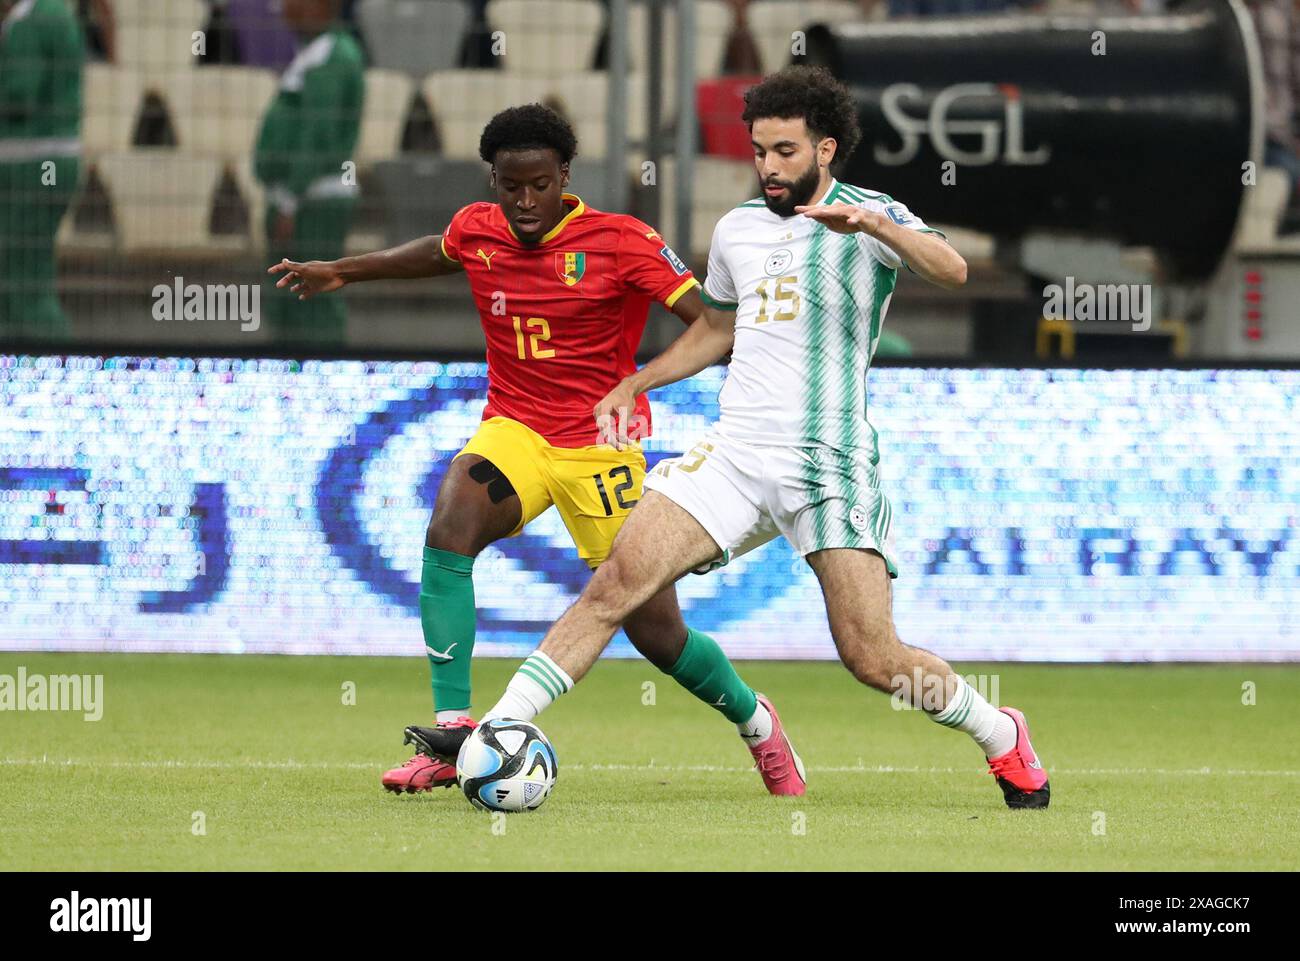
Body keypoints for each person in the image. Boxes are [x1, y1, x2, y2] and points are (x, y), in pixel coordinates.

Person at [413, 67, 1051, 810]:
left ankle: (1001, 734)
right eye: (758, 151)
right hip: (735, 453)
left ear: (826, 148)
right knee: (615, 584)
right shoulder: (738, 228)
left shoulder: (873, 215)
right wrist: (636, 383)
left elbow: (955, 267)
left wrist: (876, 227)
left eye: (785, 151)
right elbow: (715, 329)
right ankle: (500, 729)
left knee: (872, 655)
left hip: (828, 461)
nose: (769, 167)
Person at [268, 103, 805, 797]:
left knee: (656, 631)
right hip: (515, 428)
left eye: (539, 185)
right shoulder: (478, 228)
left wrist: (666, 385)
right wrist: (345, 270)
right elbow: (440, 249)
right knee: (451, 523)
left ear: (565, 178)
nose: (524, 202)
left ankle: (756, 720)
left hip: (602, 446)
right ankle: (457, 732)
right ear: (493, 179)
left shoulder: (622, 242)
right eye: (510, 185)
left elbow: (712, 324)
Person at [254, 0, 364, 348]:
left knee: (313, 303)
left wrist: (289, 201)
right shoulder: (318, 52)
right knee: (292, 302)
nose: (284, 8)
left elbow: (317, 138)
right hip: (304, 198)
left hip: (311, 201)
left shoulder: (333, 57)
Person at [0, 0, 83, 342]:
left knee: (21, 281)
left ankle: (55, 359)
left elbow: (19, 95)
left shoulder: (30, 21)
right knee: (24, 273)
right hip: (49, 161)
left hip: (30, 164)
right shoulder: (57, 12)